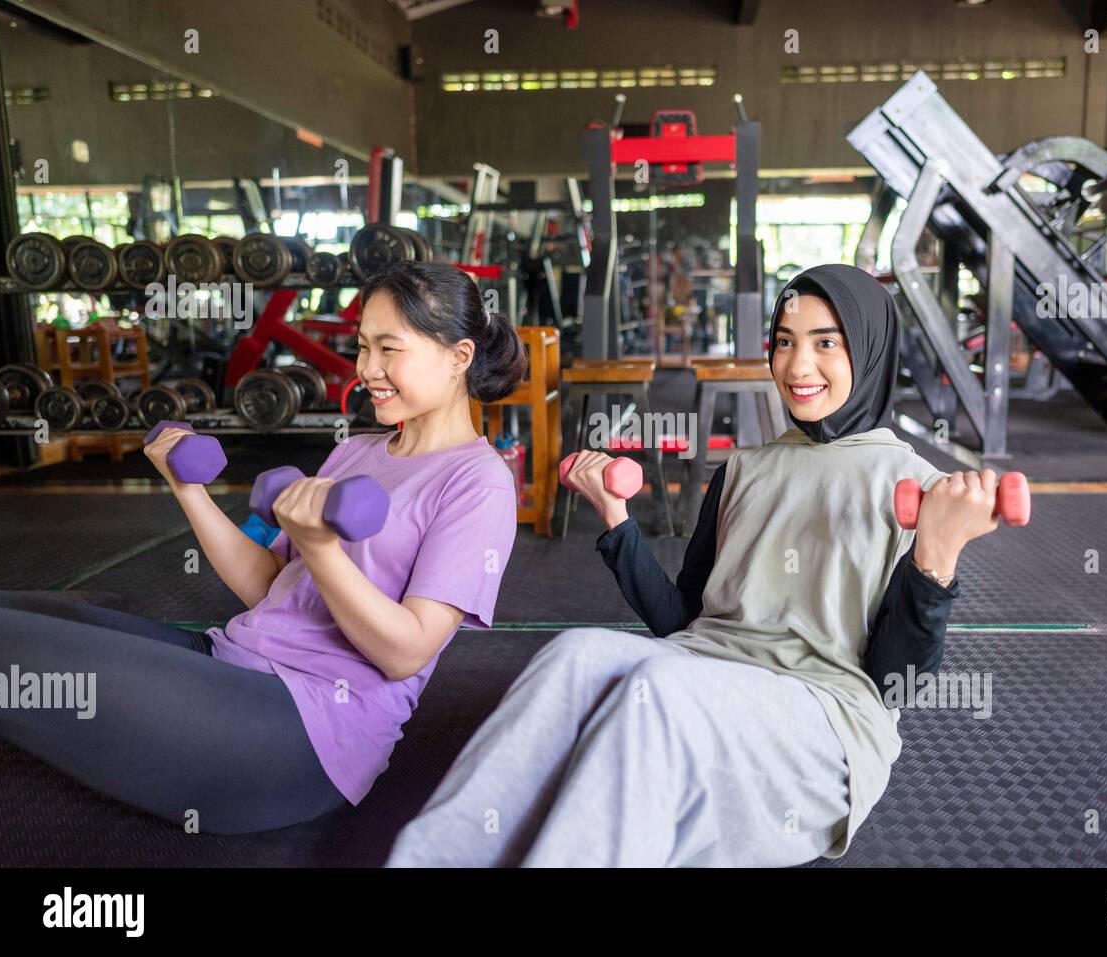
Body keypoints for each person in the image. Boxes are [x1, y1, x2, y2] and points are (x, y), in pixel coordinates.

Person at [386, 264, 1002, 867]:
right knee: (575, 655)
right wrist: (617, 520)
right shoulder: (742, 471)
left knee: (655, 695)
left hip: (823, 719)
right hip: (700, 672)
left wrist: (935, 559)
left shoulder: (919, 488)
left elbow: (895, 679)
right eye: (784, 342)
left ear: (868, 352)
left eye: (825, 345)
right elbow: (683, 623)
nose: (797, 366)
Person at [0, 261, 525, 834]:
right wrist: (186, 487)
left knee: (8, 651)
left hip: (302, 732)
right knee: (23, 616)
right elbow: (270, 587)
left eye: (389, 349)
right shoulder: (357, 451)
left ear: (459, 356)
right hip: (233, 659)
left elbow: (406, 653)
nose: (367, 369)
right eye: (362, 347)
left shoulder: (479, 482)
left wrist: (320, 549)